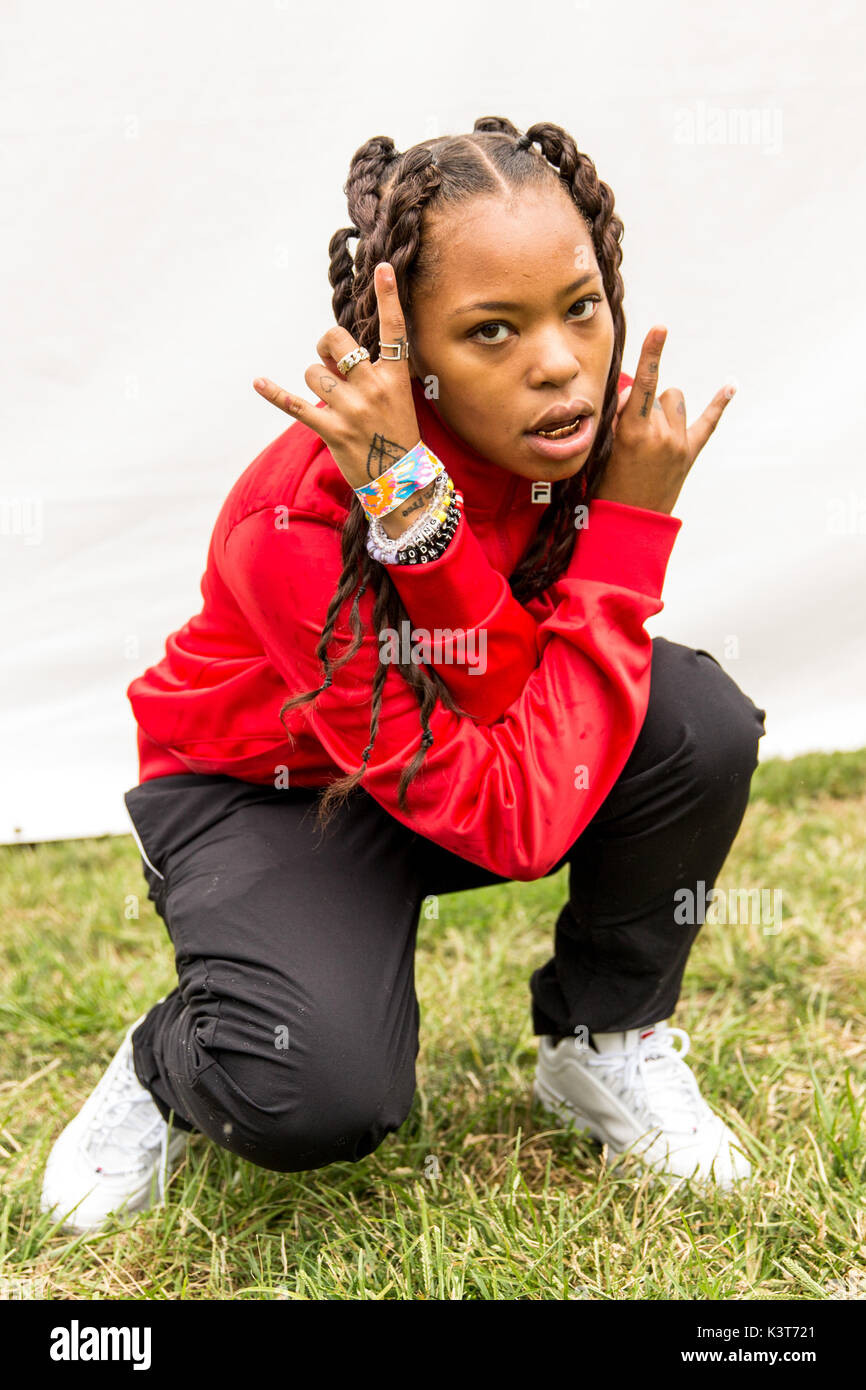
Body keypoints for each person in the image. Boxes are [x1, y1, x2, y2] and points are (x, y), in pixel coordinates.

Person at [41, 117, 767, 1235]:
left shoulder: (566, 432)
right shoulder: (290, 521)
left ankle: (600, 1042)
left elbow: (510, 708)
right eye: (491, 330)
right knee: (316, 1094)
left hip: (451, 750)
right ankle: (170, 1057)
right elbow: (514, 823)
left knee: (693, 723)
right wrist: (531, 524)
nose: (559, 361)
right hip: (267, 793)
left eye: (578, 305)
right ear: (407, 349)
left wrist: (504, 518)